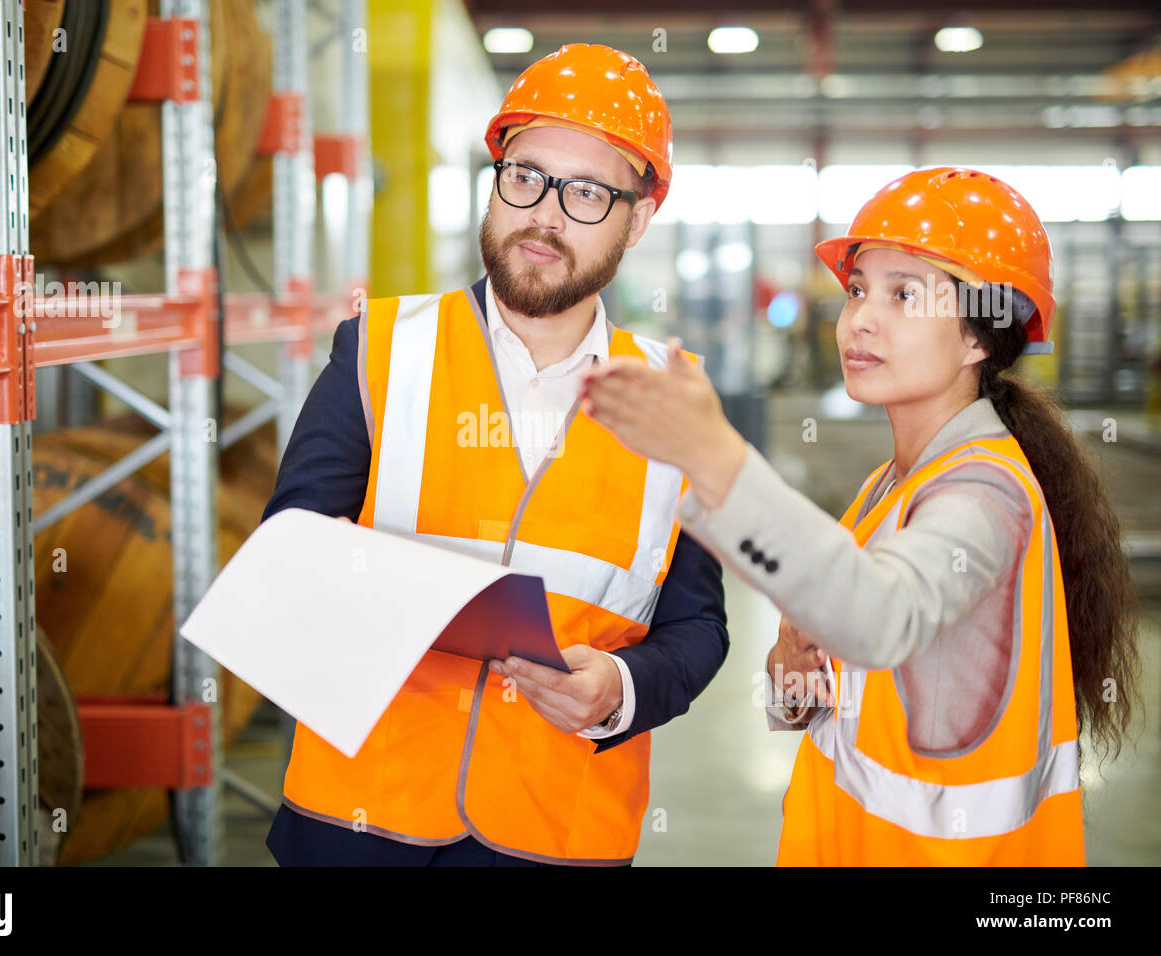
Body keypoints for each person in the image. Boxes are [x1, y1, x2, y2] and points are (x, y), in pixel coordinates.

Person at [580, 167, 1140, 865]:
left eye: (904, 294)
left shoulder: (987, 495)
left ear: (978, 337)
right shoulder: (890, 486)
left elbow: (882, 616)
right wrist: (791, 675)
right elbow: (847, 685)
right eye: (857, 290)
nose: (860, 319)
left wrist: (719, 459)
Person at [260, 43, 729, 867]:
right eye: (526, 177)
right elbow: (287, 560)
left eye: (586, 193)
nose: (544, 216)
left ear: (639, 218)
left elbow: (697, 628)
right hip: (358, 823)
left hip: (557, 832)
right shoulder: (378, 350)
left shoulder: (676, 400)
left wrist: (618, 691)